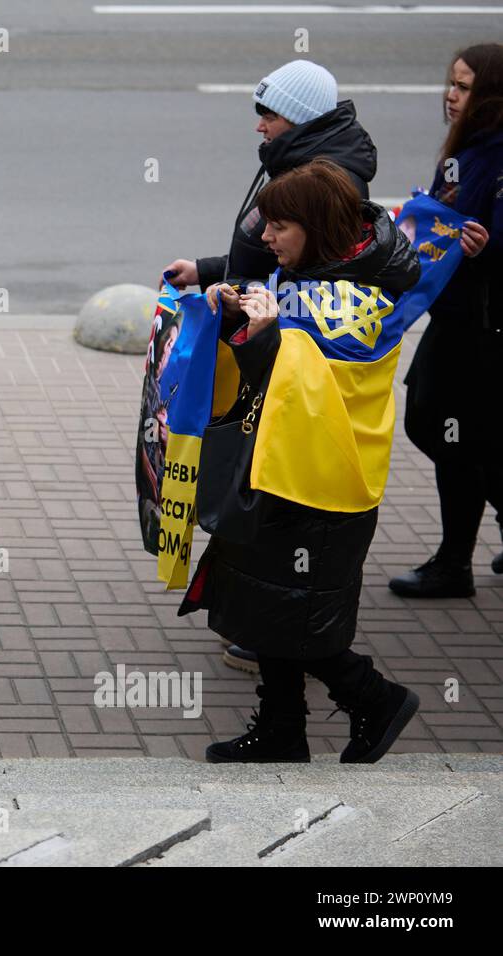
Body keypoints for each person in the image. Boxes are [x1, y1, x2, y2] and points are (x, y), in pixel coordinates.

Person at [187, 159, 462, 763]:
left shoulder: (345, 302)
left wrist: (260, 337)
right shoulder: (331, 274)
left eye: (278, 225)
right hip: (294, 471)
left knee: (295, 614)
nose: (265, 237)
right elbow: (295, 354)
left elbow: (310, 388)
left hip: (320, 481)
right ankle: (283, 730)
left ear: (313, 226)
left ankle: (375, 698)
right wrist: (242, 315)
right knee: (272, 608)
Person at [163, 59, 378, 674]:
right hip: (263, 328)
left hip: (281, 357)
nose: (259, 125)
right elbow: (268, 248)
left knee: (272, 505)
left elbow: (301, 283)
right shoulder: (299, 158)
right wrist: (210, 272)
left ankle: (284, 641)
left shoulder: (327, 174)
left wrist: (258, 318)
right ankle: (270, 637)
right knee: (260, 500)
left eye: (270, 113)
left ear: (301, 118)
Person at [391, 43, 503, 598]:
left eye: (465, 87)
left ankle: (453, 566)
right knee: (448, 428)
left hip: (485, 325)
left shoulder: (498, 155)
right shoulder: (467, 148)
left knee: (450, 431)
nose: (451, 95)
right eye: (451, 83)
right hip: (457, 315)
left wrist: (488, 246)